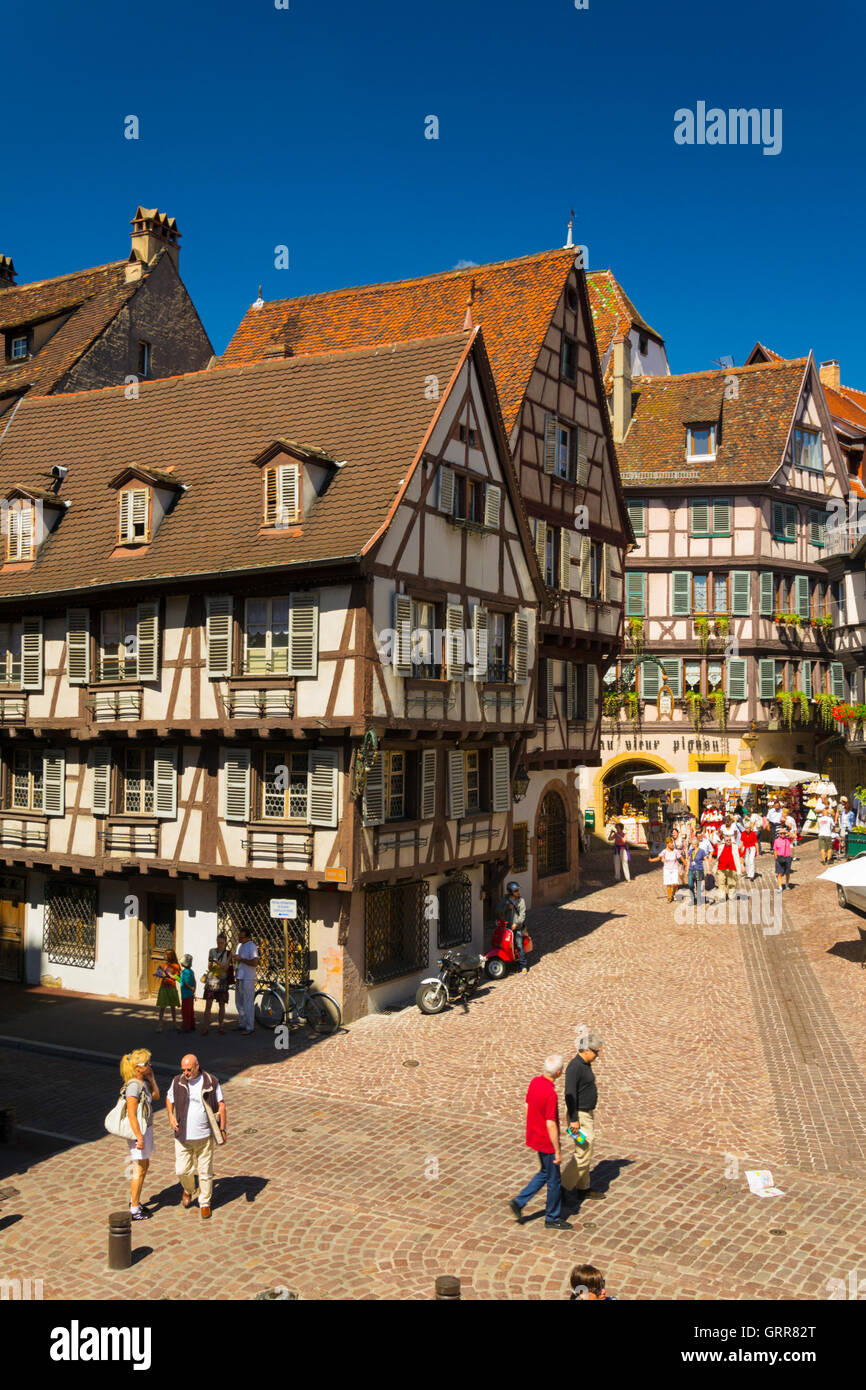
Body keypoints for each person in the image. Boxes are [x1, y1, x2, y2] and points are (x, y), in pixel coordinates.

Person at [509, 1055, 571, 1230]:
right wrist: (557, 1150)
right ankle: (552, 1217)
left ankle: (520, 1201)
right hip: (546, 1142)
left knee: (544, 1172)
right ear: (558, 1072)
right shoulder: (550, 1093)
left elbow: (527, 1106)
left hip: (535, 1136)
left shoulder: (535, 1082)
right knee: (554, 1181)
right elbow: (551, 1123)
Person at [165, 1054, 227, 1220]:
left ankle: (205, 1202)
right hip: (182, 1135)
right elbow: (169, 1099)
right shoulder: (177, 1081)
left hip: (204, 1135)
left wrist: (222, 1129)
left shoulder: (211, 1081)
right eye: (183, 1069)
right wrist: (171, 1116)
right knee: (182, 1170)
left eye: (189, 1069)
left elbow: (221, 1105)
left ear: (197, 1066)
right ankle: (189, 1189)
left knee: (205, 1171)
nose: (185, 1073)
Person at [563, 1030, 604, 1203]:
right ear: (586, 1050)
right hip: (578, 1117)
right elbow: (569, 1094)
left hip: (586, 1115)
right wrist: (574, 1120)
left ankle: (583, 1188)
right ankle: (563, 1187)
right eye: (596, 1052)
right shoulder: (575, 1067)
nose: (597, 1055)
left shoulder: (585, 1065)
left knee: (583, 1149)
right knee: (584, 1151)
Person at [120, 1048, 160, 1221]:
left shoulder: (143, 1081)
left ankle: (134, 1201)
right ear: (137, 1068)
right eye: (146, 1064)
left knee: (144, 1165)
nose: (150, 1065)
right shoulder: (133, 1087)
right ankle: (134, 1208)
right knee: (139, 1169)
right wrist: (139, 1137)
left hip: (146, 1129)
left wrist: (151, 1079)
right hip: (139, 1133)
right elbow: (131, 1114)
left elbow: (156, 1096)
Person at [201, 932, 232, 1036]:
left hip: (222, 980)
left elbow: (226, 968)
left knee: (222, 1004)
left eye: (222, 943)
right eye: (218, 942)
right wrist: (211, 965)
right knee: (208, 1004)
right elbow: (209, 966)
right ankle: (205, 1027)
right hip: (212, 980)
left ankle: (221, 1026)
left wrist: (218, 964)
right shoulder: (212, 951)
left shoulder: (228, 953)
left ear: (226, 943)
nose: (220, 945)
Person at [498, 880, 528, 972]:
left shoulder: (521, 901)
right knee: (504, 945)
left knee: (519, 945)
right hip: (506, 928)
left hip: (517, 928)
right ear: (511, 891)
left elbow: (522, 915)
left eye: (518, 890)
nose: (518, 892)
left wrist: (517, 924)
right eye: (516, 891)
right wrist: (507, 907)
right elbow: (497, 911)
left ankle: (523, 966)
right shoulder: (505, 900)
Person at [233, 926, 258, 1033]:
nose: (239, 939)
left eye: (241, 938)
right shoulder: (239, 945)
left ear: (247, 937)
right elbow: (238, 959)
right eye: (239, 937)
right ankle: (242, 1023)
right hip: (239, 976)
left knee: (248, 1002)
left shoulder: (251, 946)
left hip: (248, 978)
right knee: (239, 1002)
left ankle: (250, 1026)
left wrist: (241, 960)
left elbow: (254, 963)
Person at [716, 816, 742, 898]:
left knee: (732, 879)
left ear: (730, 821)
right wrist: (721, 838)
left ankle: (731, 894)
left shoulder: (734, 826)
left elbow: (735, 834)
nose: (727, 823)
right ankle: (722, 894)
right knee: (721, 879)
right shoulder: (723, 827)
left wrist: (734, 841)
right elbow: (719, 833)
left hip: (732, 842)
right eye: (726, 821)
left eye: (728, 821)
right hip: (724, 842)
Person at [648, 837, 680, 902]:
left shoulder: (675, 851)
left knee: (675, 884)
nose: (672, 844)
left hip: (674, 869)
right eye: (671, 843)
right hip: (667, 869)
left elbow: (680, 857)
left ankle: (673, 893)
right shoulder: (664, 851)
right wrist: (652, 860)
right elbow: (658, 858)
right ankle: (670, 897)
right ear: (667, 844)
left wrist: (686, 862)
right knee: (668, 884)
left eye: (672, 843)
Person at [155, 949, 181, 1031]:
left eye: (165, 955)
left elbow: (179, 979)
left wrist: (169, 975)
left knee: (173, 1007)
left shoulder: (176, 966)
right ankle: (160, 1025)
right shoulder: (164, 965)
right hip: (163, 988)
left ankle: (174, 1024)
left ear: (170, 956)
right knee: (162, 1007)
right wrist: (160, 974)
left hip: (171, 988)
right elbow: (162, 974)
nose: (164, 956)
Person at [179, 954, 197, 1033]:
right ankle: (192, 1025)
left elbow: (185, 983)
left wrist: (191, 988)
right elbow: (194, 981)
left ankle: (185, 1027)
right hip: (190, 994)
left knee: (185, 1011)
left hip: (186, 994)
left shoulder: (185, 972)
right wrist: (194, 990)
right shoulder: (191, 971)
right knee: (190, 1011)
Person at [773, 825, 793, 891]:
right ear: (779, 834)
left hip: (787, 857)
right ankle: (780, 887)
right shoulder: (776, 840)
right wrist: (776, 858)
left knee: (787, 872)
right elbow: (775, 849)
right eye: (781, 833)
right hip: (780, 857)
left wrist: (786, 831)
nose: (782, 834)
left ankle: (787, 884)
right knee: (780, 873)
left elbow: (793, 836)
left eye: (783, 833)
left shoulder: (788, 840)